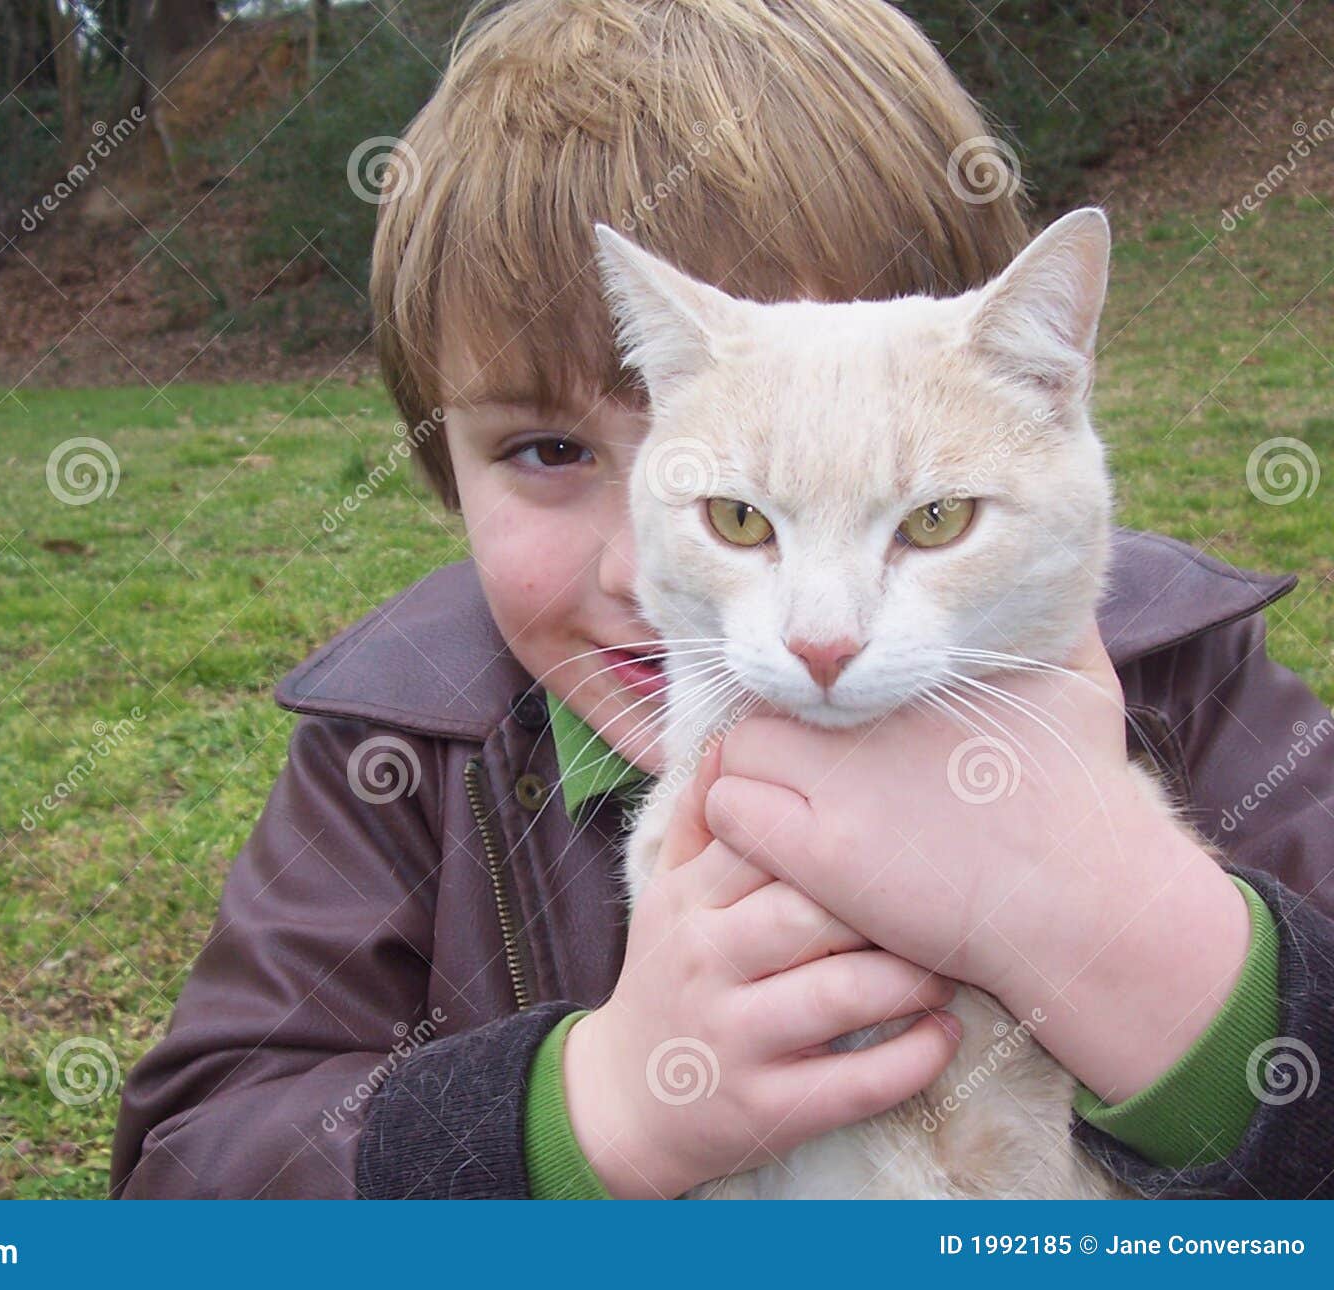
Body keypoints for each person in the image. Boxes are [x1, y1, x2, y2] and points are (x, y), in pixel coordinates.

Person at [110, 0, 1334, 1199]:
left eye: (919, 511)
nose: (639, 573)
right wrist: (586, 1115)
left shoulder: (1183, 673)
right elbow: (190, 1173)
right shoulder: (399, 753)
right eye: (547, 451)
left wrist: (1154, 952)